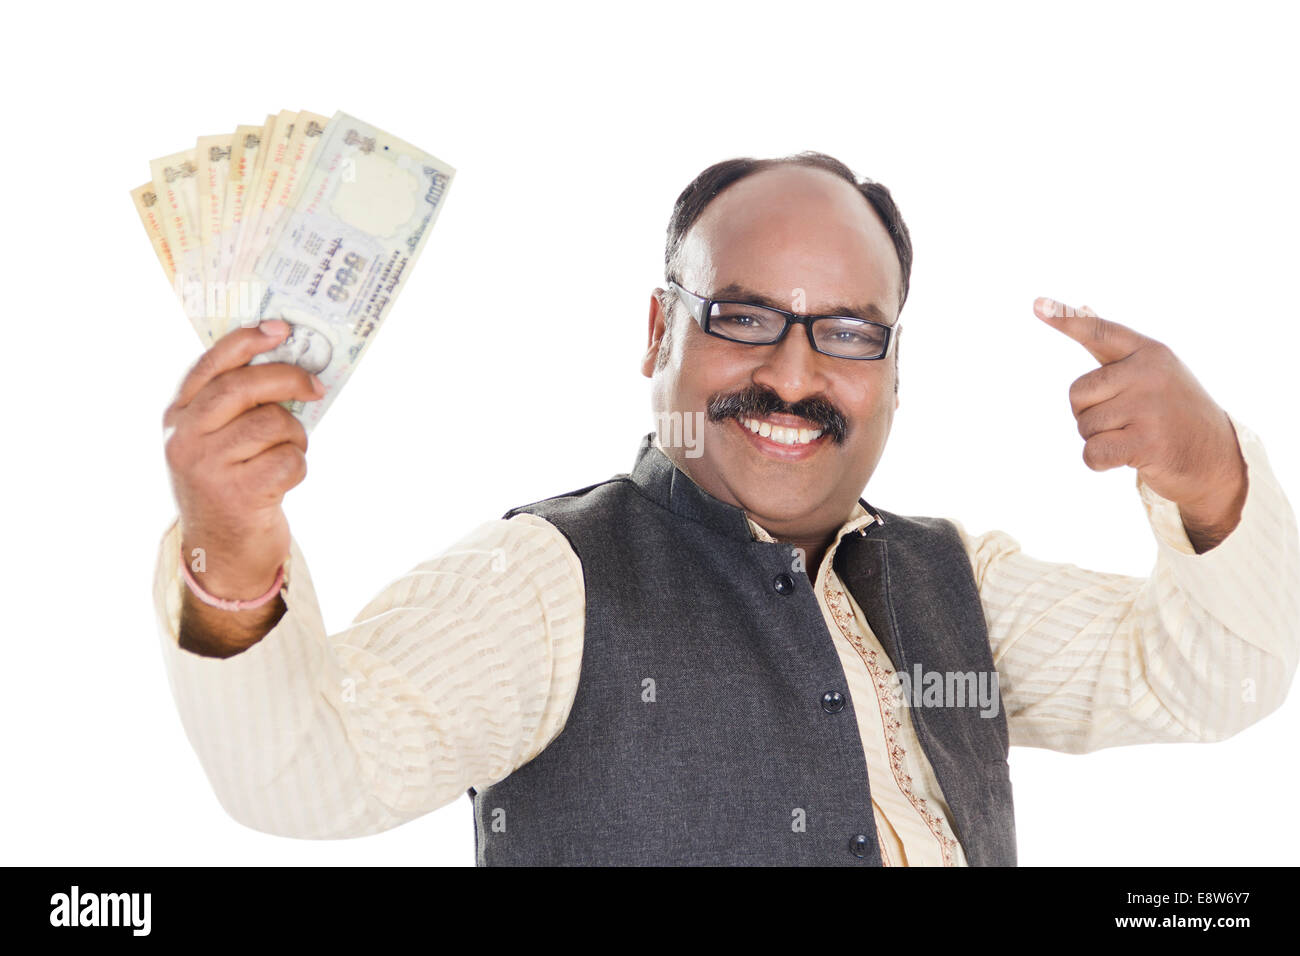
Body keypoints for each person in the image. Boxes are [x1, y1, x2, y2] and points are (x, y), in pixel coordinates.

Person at [154, 151, 1300, 866]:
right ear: (660, 334)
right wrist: (232, 543)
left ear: (895, 367)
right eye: (744, 317)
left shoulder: (964, 585)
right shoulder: (546, 583)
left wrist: (1209, 477)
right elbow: (300, 775)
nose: (796, 377)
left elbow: (1218, 679)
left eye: (848, 332)